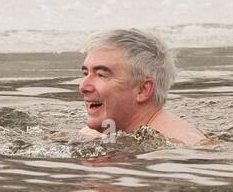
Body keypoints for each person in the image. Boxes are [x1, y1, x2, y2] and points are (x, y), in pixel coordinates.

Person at [78, 29, 208, 146]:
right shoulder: (99, 133)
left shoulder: (185, 145)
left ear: (143, 89)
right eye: (85, 74)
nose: (83, 87)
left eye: (101, 75)